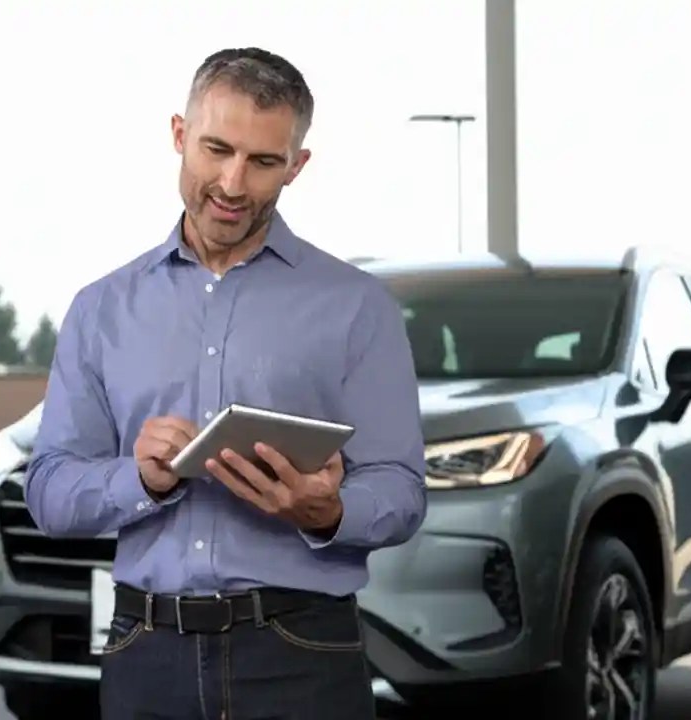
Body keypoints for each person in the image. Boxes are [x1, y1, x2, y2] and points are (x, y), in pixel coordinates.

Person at [24, 46, 427, 720]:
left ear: (296, 166)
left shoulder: (358, 308)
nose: (233, 184)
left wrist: (324, 510)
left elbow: (401, 491)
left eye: (263, 162)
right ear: (180, 135)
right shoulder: (101, 310)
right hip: (144, 652)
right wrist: (141, 479)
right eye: (216, 150)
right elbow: (49, 491)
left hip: (300, 650)